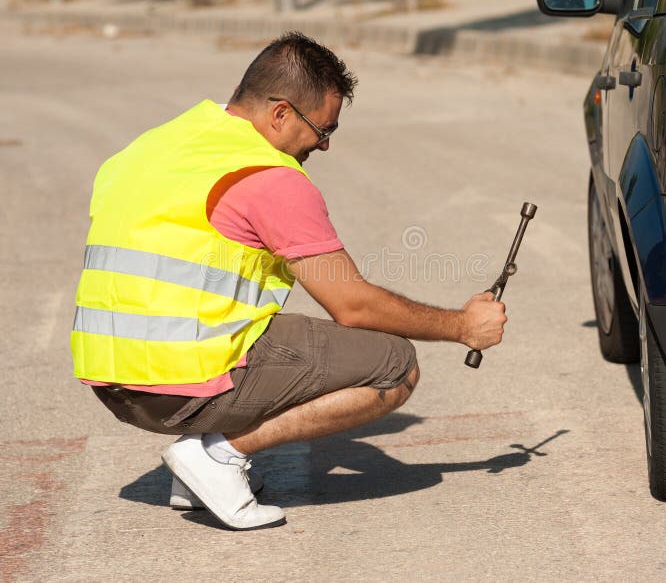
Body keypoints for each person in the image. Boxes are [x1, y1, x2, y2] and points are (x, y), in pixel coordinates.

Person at [71, 32, 507, 531]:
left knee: (279, 330)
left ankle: (194, 474)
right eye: (322, 129)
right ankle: (219, 455)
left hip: (112, 380)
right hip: (180, 383)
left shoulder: (156, 143)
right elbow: (353, 306)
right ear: (280, 114)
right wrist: (462, 326)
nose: (324, 144)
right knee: (394, 365)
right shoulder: (267, 176)